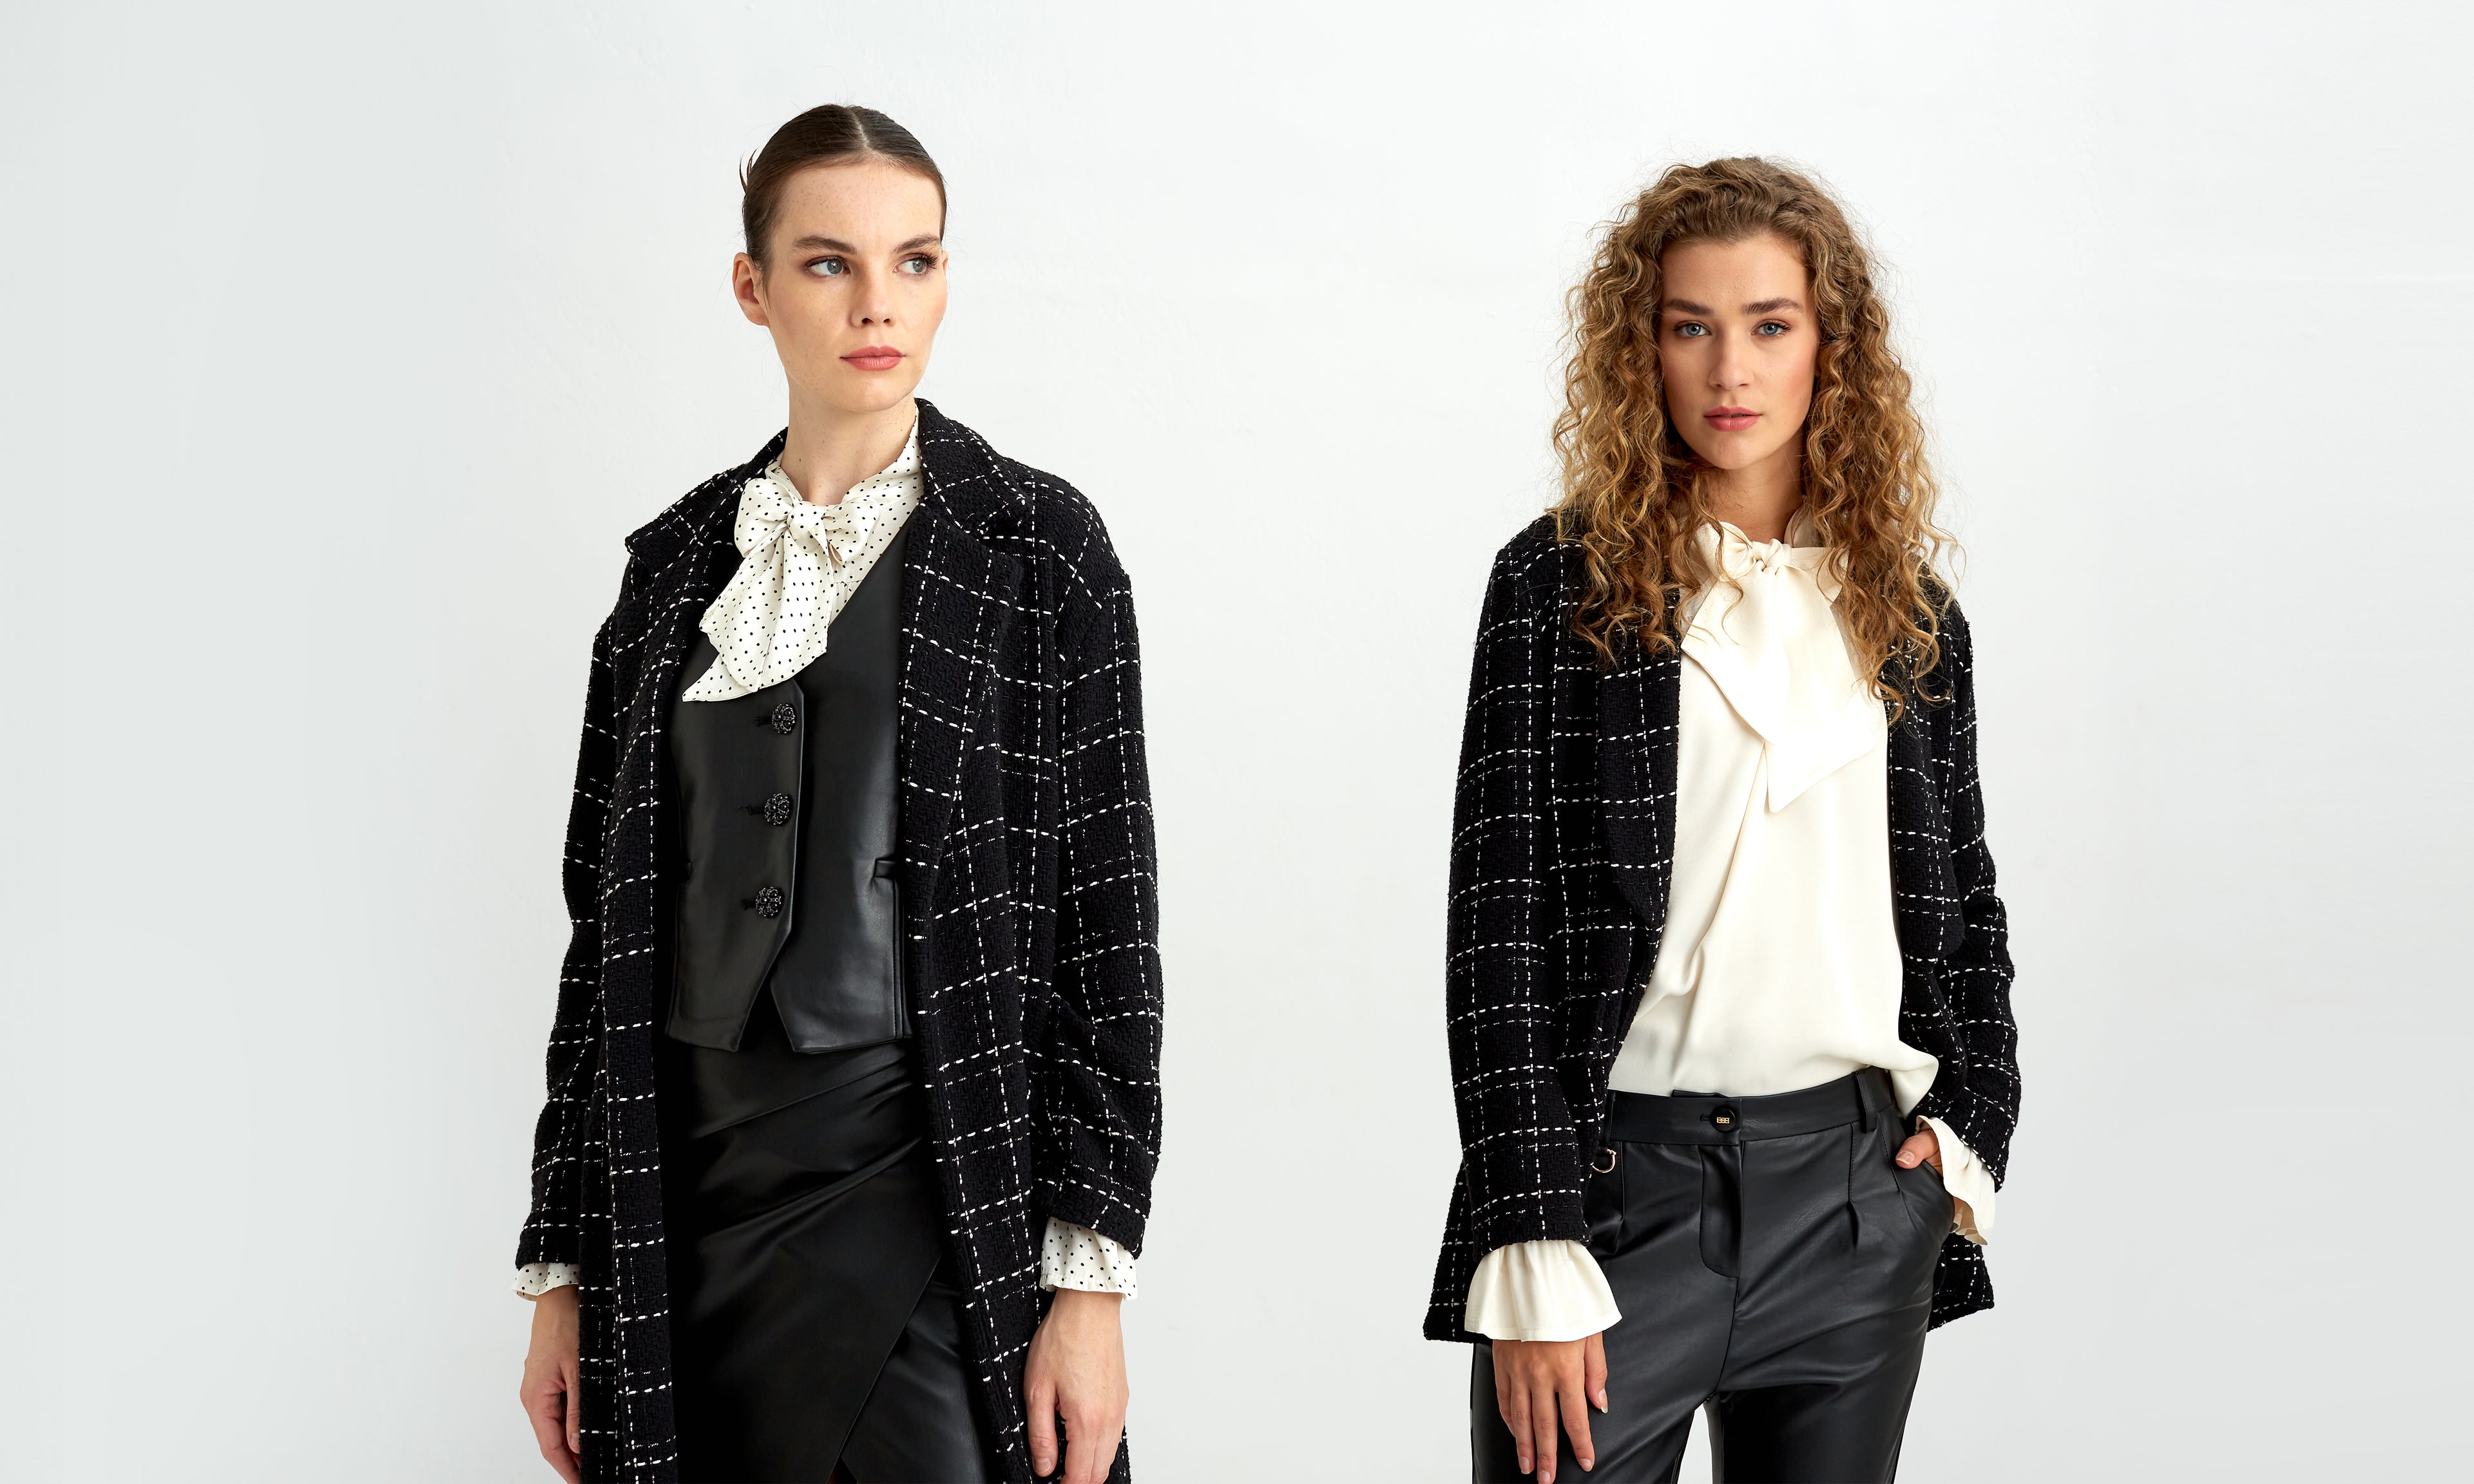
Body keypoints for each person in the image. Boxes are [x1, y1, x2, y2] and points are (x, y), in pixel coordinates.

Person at [512, 104, 1162, 1484]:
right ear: (752, 287)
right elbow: (597, 946)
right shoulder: (671, 571)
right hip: (684, 1200)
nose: (880, 304)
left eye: (914, 261)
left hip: (927, 1186)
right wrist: (562, 1269)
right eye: (829, 263)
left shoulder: (1041, 551)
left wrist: (1090, 1285)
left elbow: (1109, 940)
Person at [1426, 157, 2019, 1483]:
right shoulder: (1559, 587)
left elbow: (1963, 902)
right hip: (1615, 1195)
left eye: (1770, 324)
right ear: (1642, 349)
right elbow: (1498, 933)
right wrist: (1531, 1239)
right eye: (1690, 326)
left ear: (1830, 348)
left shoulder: (1909, 613)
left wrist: (1967, 1135)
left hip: (1854, 1208)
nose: (1730, 369)